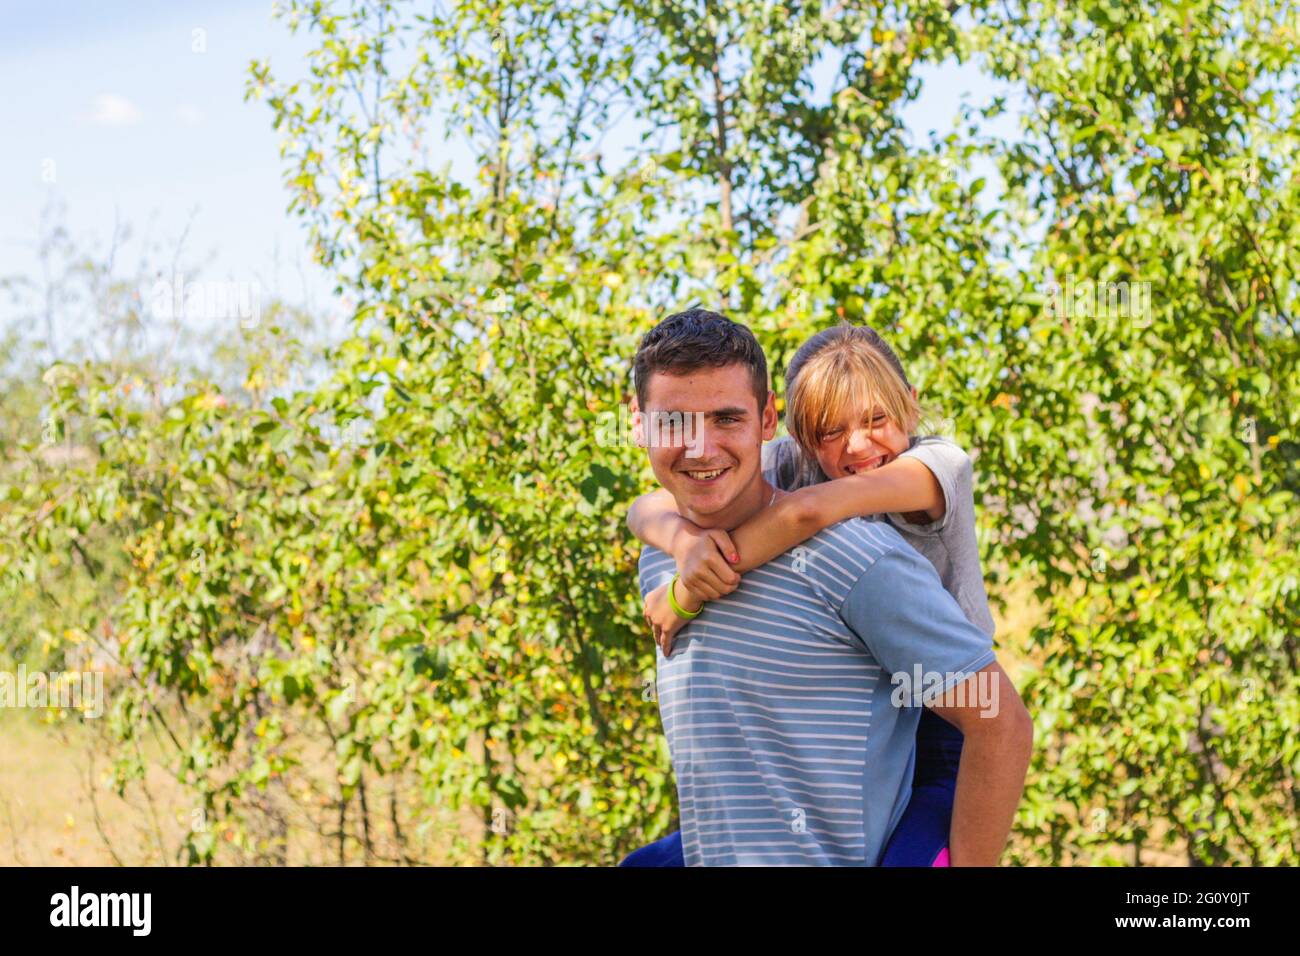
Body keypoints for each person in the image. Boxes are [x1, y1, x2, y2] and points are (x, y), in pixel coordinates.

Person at [620, 307, 1031, 866]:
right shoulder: (782, 459)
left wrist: (684, 593)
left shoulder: (936, 466)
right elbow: (649, 504)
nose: (857, 447)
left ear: (910, 403)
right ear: (794, 431)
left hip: (945, 728)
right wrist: (682, 543)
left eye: (876, 420)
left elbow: (805, 514)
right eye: (830, 431)